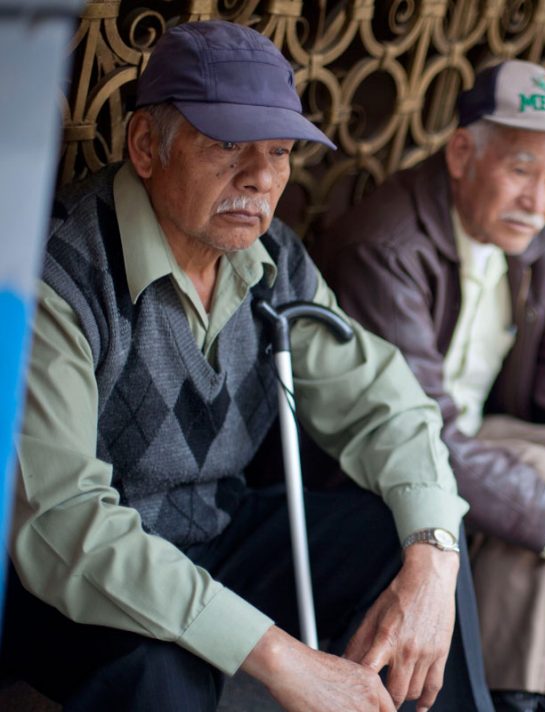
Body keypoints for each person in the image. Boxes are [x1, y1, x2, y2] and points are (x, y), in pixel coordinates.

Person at [1, 21, 491, 712]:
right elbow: (65, 523)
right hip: (78, 580)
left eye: (280, 150)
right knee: (157, 668)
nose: (261, 177)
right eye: (226, 144)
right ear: (146, 146)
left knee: (404, 544)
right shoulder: (61, 275)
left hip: (215, 529)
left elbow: (383, 403)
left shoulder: (272, 260)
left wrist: (435, 558)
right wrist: (282, 659)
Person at [312, 60, 545, 712]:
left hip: (462, 434)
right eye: (521, 170)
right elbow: (419, 432)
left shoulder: (532, 241)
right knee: (541, 479)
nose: (539, 200)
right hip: (368, 471)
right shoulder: (387, 246)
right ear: (461, 153)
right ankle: (507, 694)